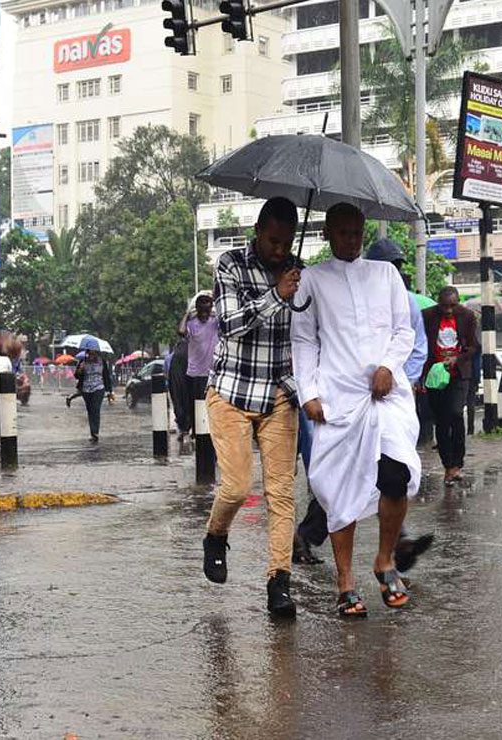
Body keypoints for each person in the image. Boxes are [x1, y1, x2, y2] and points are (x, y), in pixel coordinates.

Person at [292, 203, 421, 618]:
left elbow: (404, 330)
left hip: (385, 396)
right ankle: (345, 582)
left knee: (397, 474)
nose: (351, 241)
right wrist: (307, 393)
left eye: (357, 233)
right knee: (338, 491)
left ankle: (384, 559)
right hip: (337, 400)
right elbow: (304, 341)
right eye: (343, 233)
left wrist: (388, 366)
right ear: (328, 234)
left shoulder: (385, 275)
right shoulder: (311, 279)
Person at [201, 196, 301, 618]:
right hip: (231, 391)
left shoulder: (300, 273)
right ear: (258, 232)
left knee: (282, 494)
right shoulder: (230, 265)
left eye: (286, 242)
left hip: (279, 394)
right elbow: (231, 324)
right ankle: (215, 535)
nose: (279, 250)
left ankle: (279, 581)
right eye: (273, 241)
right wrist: (277, 295)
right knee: (238, 487)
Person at [422, 286, 477, 483]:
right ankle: (448, 466)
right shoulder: (427, 316)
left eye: (452, 306)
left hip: (458, 374)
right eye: (444, 306)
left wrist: (457, 359)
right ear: (438, 303)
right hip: (435, 376)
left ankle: (457, 464)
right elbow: (420, 344)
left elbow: (473, 347)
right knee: (442, 422)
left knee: (455, 414)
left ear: (458, 302)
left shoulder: (467, 316)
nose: (448, 310)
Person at [179, 291, 219, 435]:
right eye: (201, 309)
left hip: (212, 373)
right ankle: (196, 433)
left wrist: (215, 304)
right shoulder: (191, 324)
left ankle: (210, 434)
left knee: (212, 406)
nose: (204, 313)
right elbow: (181, 331)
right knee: (195, 406)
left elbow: (226, 319)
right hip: (194, 374)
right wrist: (187, 314)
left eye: (207, 309)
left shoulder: (215, 323)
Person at [74, 344, 114, 442]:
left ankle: (95, 432)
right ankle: (92, 432)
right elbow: (76, 376)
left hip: (99, 388)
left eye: (93, 352)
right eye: (90, 352)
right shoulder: (83, 361)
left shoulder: (102, 361)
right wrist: (80, 370)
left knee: (95, 409)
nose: (91, 354)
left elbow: (106, 376)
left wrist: (109, 391)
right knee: (90, 410)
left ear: (96, 352)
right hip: (86, 389)